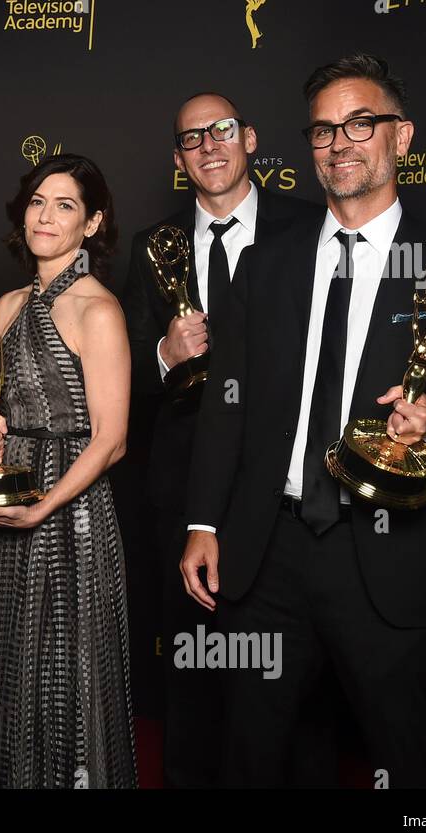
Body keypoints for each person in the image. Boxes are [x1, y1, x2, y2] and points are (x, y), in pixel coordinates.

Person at [181, 53, 426, 787]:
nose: (341, 142)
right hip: (270, 550)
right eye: (325, 129)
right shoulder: (265, 261)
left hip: (394, 556)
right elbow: (225, 400)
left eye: (362, 123)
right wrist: (205, 521)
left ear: (403, 137)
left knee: (407, 757)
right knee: (250, 754)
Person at [121, 92, 324, 788]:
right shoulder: (153, 246)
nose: (209, 145)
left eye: (222, 131)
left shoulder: (311, 230)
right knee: (194, 675)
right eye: (192, 139)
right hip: (184, 494)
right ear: (179, 159)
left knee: (290, 687)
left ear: (250, 139)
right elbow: (119, 385)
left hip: (289, 496)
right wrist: (162, 357)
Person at [0, 154, 136, 788]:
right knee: (1, 672)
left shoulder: (99, 311)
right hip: (9, 505)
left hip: (72, 516)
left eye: (65, 205)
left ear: (92, 225)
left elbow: (111, 441)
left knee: (66, 678)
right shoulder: (6, 306)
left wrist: (43, 504)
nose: (46, 216)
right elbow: (3, 413)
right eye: (38, 201)